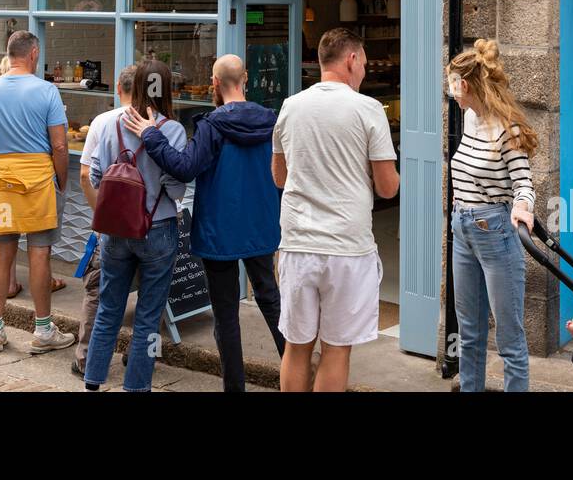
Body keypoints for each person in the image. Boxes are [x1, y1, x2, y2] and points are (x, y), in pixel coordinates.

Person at [123, 54, 284, 392]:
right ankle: (296, 376)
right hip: (261, 225)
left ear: (214, 83)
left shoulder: (212, 126)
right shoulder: (272, 121)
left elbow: (184, 168)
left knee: (226, 316)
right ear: (246, 79)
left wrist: (152, 135)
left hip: (219, 232)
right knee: (271, 301)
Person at [272, 28, 399, 392]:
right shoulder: (368, 109)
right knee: (336, 350)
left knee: (296, 347)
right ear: (352, 59)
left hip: (298, 243)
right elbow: (387, 187)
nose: (364, 72)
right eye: (364, 64)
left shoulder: (290, 106)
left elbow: (279, 177)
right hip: (347, 248)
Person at [83, 59, 187, 392]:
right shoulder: (173, 130)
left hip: (115, 230)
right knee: (148, 315)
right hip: (157, 227)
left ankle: (93, 378)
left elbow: (95, 175)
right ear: (166, 89)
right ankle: (137, 384)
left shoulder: (111, 123)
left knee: (109, 307)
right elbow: (176, 188)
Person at [0, 31, 75, 354]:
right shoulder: (47, 91)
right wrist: (62, 181)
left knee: (3, 252)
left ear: (8, 54)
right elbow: (60, 145)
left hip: (3, 179)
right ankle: (43, 330)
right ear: (33, 54)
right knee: (39, 252)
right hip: (40, 180)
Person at [446, 38, 537, 392]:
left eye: (452, 84)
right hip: (462, 228)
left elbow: (524, 183)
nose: (451, 92)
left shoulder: (506, 128)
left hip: (495, 230)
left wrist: (522, 208)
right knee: (469, 333)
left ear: (465, 85)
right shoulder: (470, 118)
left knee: (509, 338)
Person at [71, 63, 135, 378]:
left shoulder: (103, 121)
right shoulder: (161, 123)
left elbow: (85, 175)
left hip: (110, 225)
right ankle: (138, 355)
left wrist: (101, 215)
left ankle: (87, 358)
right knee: (150, 293)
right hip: (148, 226)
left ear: (119, 89)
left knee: (98, 290)